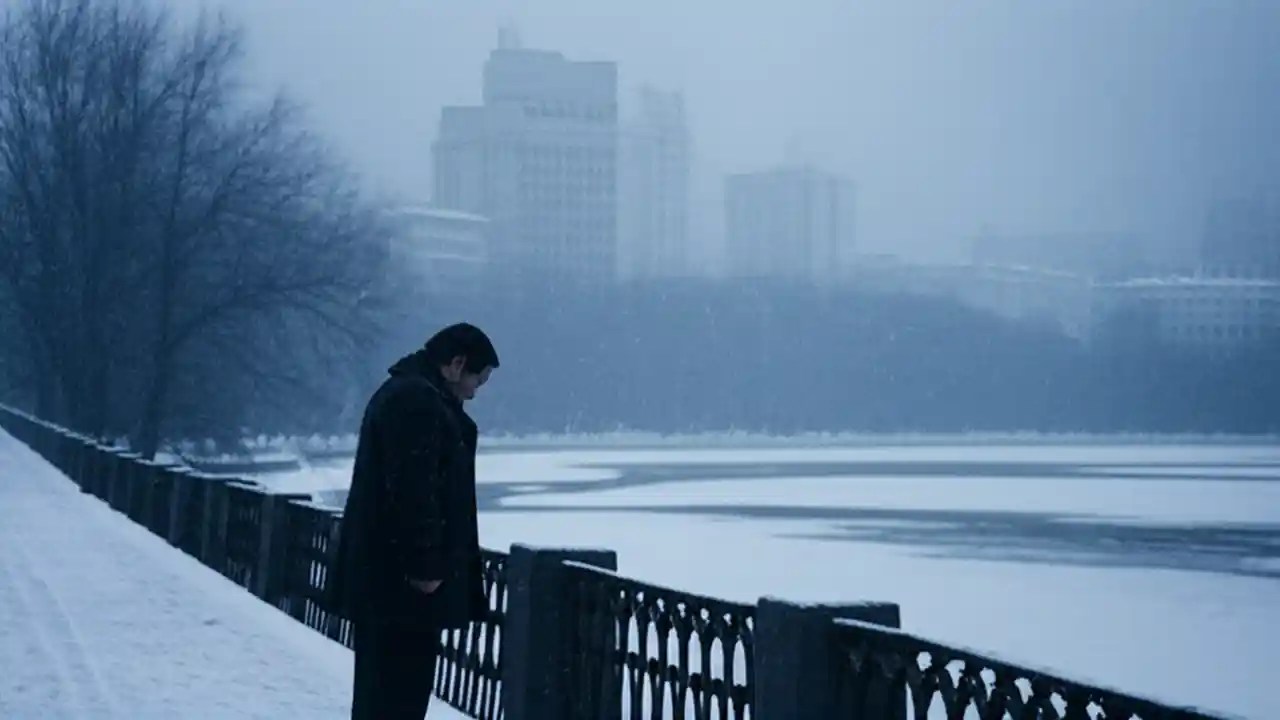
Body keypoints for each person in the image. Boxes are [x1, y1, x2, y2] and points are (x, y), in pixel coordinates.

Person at [329, 323, 499, 720]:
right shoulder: (417, 402)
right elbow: (414, 491)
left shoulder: (409, 394)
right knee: (396, 698)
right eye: (479, 379)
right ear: (456, 365)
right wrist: (426, 568)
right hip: (401, 588)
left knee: (385, 696)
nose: (475, 392)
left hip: (388, 582)